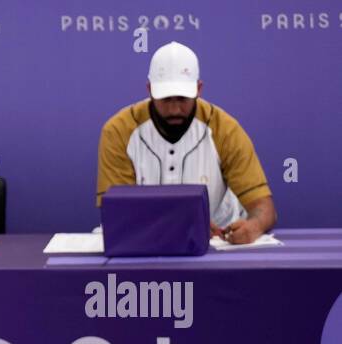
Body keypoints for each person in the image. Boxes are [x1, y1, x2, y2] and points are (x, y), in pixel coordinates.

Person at [97, 42, 276, 243]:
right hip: (145, 237)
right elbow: (117, 212)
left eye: (182, 98)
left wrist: (254, 226)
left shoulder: (225, 129)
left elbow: (263, 206)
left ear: (198, 89)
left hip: (216, 242)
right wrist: (181, 225)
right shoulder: (118, 131)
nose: (174, 109)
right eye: (165, 99)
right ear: (149, 90)